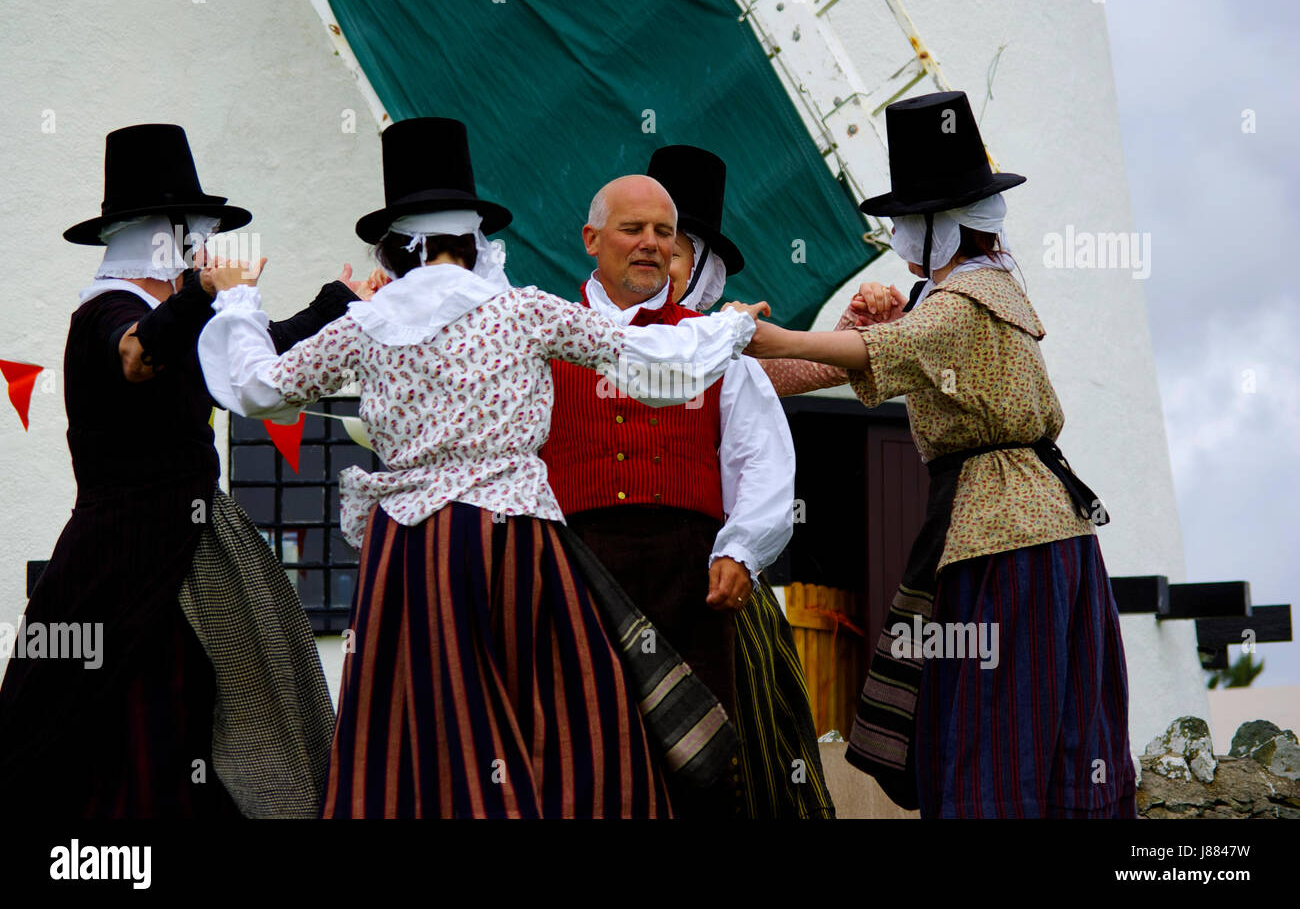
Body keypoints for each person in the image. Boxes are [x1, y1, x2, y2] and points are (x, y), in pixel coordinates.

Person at [198, 117, 766, 818]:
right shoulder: (522, 312)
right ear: (472, 240)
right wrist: (730, 325)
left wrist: (237, 299)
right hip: (516, 542)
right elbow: (652, 361)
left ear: (397, 244)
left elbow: (255, 387)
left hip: (414, 550)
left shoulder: (365, 324)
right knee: (559, 722)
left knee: (422, 727)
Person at [740, 91, 1136, 818]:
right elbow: (829, 369)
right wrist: (738, 367)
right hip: (1046, 535)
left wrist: (760, 337)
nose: (895, 236)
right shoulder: (968, 294)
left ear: (935, 225)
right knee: (1066, 740)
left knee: (995, 732)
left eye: (901, 223)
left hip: (1004, 538)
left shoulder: (965, 300)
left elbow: (853, 352)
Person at [0, 124, 361, 817]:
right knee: (125, 725)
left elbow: (261, 356)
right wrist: (201, 291)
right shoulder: (106, 314)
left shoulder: (175, 317)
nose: (203, 247)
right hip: (122, 560)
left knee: (223, 715)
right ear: (156, 235)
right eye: (191, 234)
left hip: (197, 547)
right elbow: (138, 357)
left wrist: (335, 305)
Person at [631, 144, 834, 819]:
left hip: (713, 584)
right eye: (643, 236)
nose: (655, 255)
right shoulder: (590, 341)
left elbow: (762, 465)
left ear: (703, 270)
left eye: (673, 244)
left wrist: (739, 549)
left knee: (741, 765)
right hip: (615, 588)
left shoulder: (726, 358)